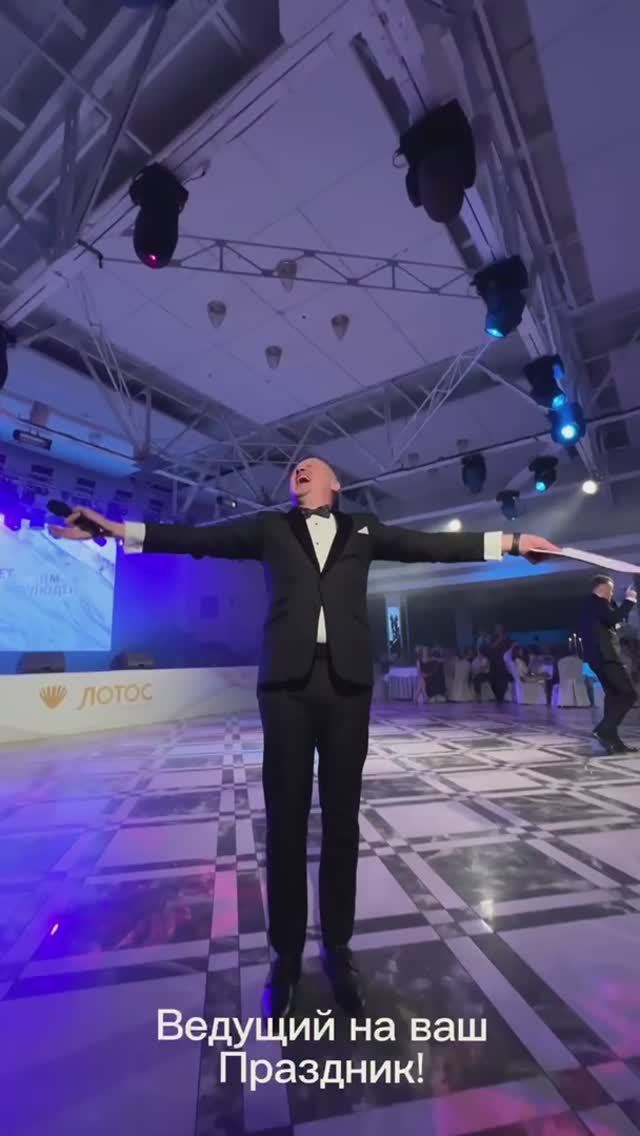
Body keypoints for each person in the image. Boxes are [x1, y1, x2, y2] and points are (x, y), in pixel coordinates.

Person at [50, 457, 558, 1019]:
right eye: (294, 467)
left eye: (310, 466)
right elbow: (200, 539)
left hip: (347, 687)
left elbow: (430, 546)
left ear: (335, 483)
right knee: (286, 825)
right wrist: (119, 531)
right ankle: (286, 958)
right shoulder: (271, 528)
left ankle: (338, 949)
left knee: (342, 823)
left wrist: (513, 542)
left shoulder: (364, 529)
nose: (299, 470)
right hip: (286, 688)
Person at [579, 574, 637, 754]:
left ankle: (613, 741)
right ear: (602, 588)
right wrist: (630, 599)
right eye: (610, 590)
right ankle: (603, 729)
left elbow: (611, 621)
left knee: (613, 695)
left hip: (598, 657)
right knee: (629, 694)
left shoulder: (591, 605)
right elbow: (613, 618)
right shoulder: (598, 602)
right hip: (607, 657)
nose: (611, 594)